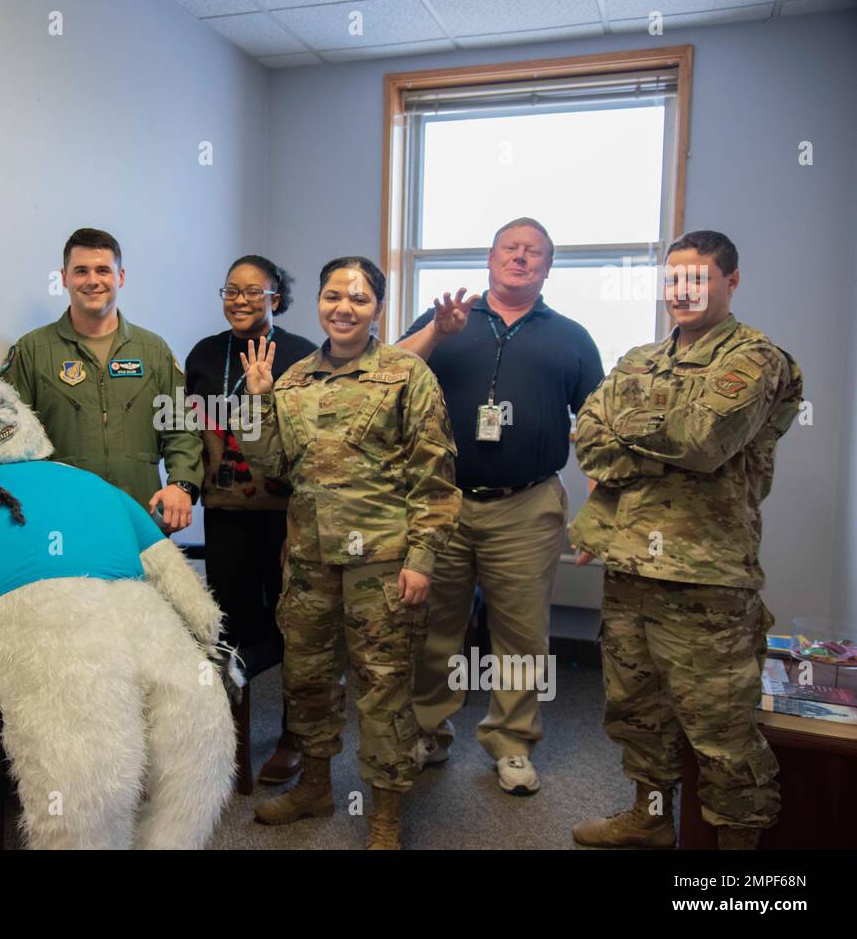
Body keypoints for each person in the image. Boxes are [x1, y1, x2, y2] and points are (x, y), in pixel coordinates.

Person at [0, 361, 237, 849]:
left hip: (130, 604)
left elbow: (162, 562)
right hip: (36, 622)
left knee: (199, 727)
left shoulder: (87, 481)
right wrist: (207, 631)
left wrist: (205, 627)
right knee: (89, 761)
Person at [569, 230, 802, 850]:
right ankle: (648, 818)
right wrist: (651, 437)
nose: (682, 291)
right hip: (630, 569)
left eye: (697, 278)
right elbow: (587, 438)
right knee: (638, 714)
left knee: (721, 729)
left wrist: (628, 433)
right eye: (672, 278)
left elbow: (704, 442)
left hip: (707, 576)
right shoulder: (638, 360)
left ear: (730, 281)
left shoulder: (756, 359)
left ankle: (735, 861)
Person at [241, 256, 461, 849]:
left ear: (378, 309)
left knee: (384, 690)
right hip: (310, 564)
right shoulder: (290, 381)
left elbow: (435, 477)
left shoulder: (406, 373)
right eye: (334, 296)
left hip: (383, 566)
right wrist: (257, 403)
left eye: (359, 299)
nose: (344, 308)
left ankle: (386, 815)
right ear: (317, 302)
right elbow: (271, 468)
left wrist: (422, 558)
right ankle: (315, 787)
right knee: (308, 681)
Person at [395, 217, 603, 795]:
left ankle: (511, 743)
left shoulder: (571, 337)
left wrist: (598, 510)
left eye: (534, 252)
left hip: (528, 505)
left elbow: (597, 427)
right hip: (444, 503)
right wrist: (437, 333)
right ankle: (430, 731)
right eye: (511, 248)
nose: (521, 257)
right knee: (435, 626)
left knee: (522, 634)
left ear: (547, 267)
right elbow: (388, 376)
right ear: (490, 257)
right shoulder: (447, 318)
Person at [184, 255, 318, 786]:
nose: (240, 300)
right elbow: (188, 432)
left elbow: (313, 447)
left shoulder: (304, 356)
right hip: (225, 515)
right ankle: (232, 732)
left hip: (287, 517)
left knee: (298, 626)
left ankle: (295, 734)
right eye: (231, 291)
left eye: (253, 292)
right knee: (236, 624)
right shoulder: (203, 354)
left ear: (276, 299)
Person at [0, 227, 203, 531]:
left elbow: (181, 428)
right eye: (81, 270)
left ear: (120, 277)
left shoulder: (152, 350)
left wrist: (181, 485)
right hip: (62, 520)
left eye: (103, 270)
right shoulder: (32, 351)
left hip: (141, 518)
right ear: (64, 277)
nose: (92, 280)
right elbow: (11, 442)